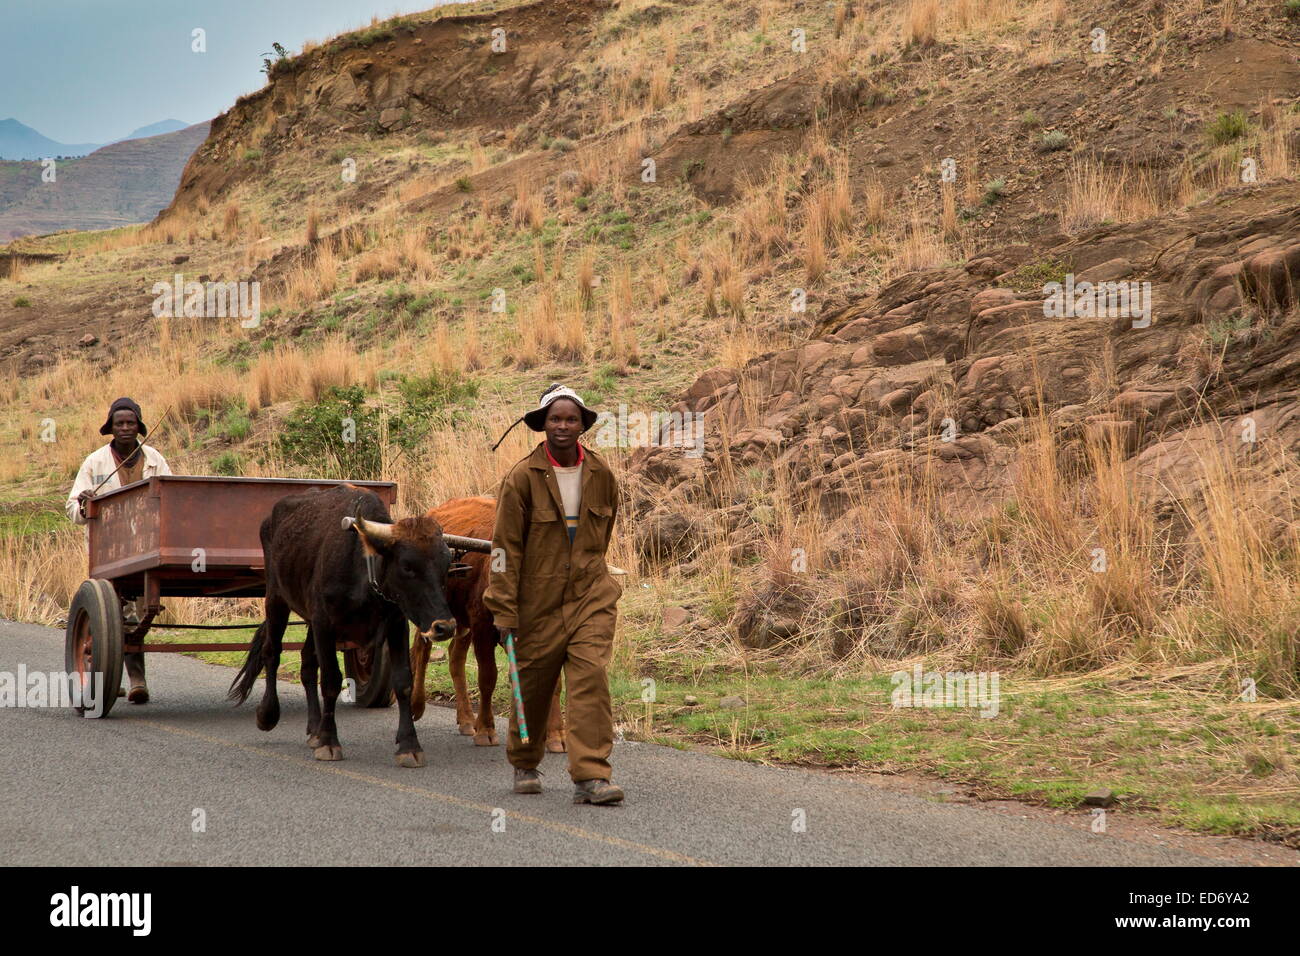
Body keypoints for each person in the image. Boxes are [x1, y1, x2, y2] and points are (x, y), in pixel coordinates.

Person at [484, 384, 625, 805]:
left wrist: (589, 576)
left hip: (590, 597)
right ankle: (525, 761)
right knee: (533, 683)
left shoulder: (601, 475)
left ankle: (591, 776)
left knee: (590, 680)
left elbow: (604, 534)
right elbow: (503, 551)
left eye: (571, 419)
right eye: (555, 419)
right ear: (542, 425)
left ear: (582, 426)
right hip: (535, 603)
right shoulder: (521, 479)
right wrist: (503, 609)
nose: (563, 426)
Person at [65, 397, 171, 703]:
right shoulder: (95, 462)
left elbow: (170, 498)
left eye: (131, 423)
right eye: (119, 423)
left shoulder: (154, 459)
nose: (125, 428)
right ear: (110, 427)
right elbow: (73, 509)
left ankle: (128, 676)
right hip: (110, 552)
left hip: (147, 549)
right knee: (118, 615)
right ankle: (132, 680)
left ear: (139, 426)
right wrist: (85, 502)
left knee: (140, 616)